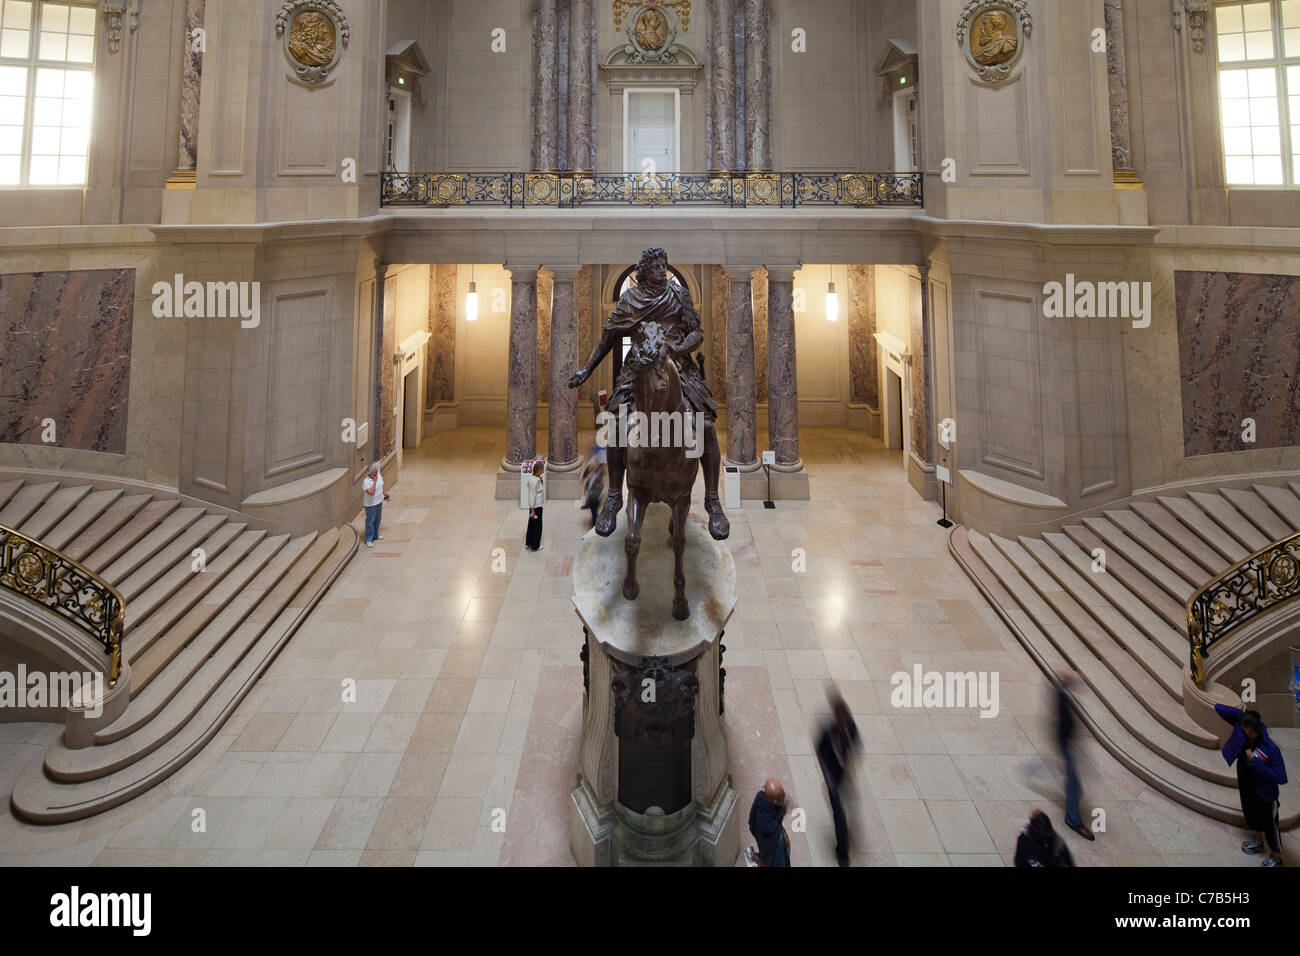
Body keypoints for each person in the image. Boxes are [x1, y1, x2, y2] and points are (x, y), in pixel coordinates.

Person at [568, 247, 730, 542]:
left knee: (705, 426)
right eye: (655, 266)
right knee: (615, 425)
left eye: (664, 265)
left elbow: (697, 333)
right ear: (643, 271)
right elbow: (608, 337)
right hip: (640, 366)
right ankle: (615, 496)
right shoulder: (631, 298)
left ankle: (712, 501)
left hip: (678, 365)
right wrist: (587, 370)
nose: (661, 270)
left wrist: (678, 349)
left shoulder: (678, 294)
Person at [1216, 703, 1287, 866]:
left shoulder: (1270, 749)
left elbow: (1281, 777)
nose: (1246, 735)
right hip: (1248, 786)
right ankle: (1258, 841)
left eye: (1249, 733)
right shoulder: (1243, 727)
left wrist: (1256, 763)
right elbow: (1220, 709)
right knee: (1251, 815)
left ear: (1256, 731)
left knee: (1270, 826)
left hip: (1266, 794)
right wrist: (1242, 715)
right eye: (1244, 730)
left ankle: (1276, 858)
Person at [815, 689, 860, 866]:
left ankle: (846, 833)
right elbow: (819, 751)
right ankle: (843, 851)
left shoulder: (851, 729)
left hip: (843, 774)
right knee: (839, 813)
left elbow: (856, 745)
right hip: (832, 778)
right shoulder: (828, 732)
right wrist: (827, 776)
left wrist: (849, 763)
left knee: (849, 803)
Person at [1055, 671, 1095, 841]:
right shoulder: (1061, 699)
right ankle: (1073, 820)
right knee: (1074, 785)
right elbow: (1063, 726)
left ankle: (1073, 816)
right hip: (1065, 745)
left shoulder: (1061, 696)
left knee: (1074, 784)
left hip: (1066, 745)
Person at [747, 778, 791, 867]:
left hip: (763, 844)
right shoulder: (778, 838)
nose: (784, 795)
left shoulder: (760, 798)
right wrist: (759, 861)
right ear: (775, 802)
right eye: (781, 795)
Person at [362, 461, 390, 549]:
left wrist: (384, 493)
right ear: (369, 473)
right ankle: (368, 539)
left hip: (379, 501)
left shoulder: (378, 476)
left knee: (378, 518)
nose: (376, 473)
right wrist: (374, 481)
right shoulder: (366, 482)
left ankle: (375, 535)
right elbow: (371, 493)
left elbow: (380, 486)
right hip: (370, 504)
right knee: (370, 521)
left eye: (376, 471)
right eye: (374, 472)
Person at [524, 461, 545, 552]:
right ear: (539, 470)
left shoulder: (532, 478)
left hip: (534, 506)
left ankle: (528, 542)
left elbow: (528, 485)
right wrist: (532, 510)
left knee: (531, 524)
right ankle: (535, 545)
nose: (543, 471)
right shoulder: (535, 481)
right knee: (537, 526)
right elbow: (532, 495)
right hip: (536, 506)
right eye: (542, 469)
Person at [580, 456, 607, 528]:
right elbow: (585, 479)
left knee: (594, 511)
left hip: (596, 496)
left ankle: (595, 524)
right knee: (593, 510)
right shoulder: (592, 471)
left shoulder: (599, 474)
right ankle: (594, 521)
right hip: (592, 494)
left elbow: (602, 485)